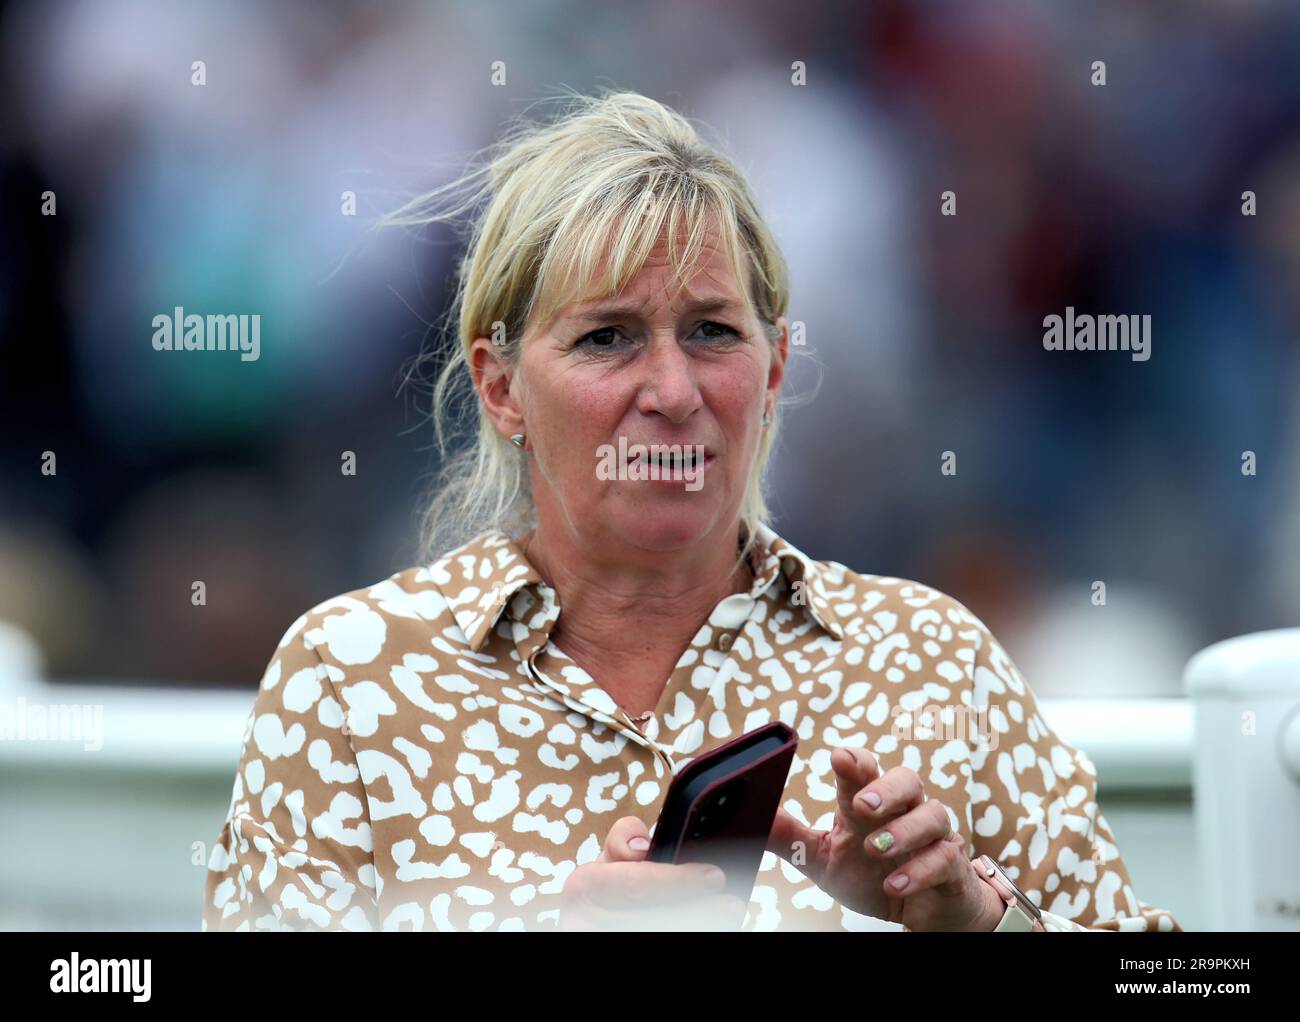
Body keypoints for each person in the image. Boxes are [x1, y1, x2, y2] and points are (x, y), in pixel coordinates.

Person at [202, 90, 1182, 932]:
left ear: (774, 370)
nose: (671, 386)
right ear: (499, 389)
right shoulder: (352, 677)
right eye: (607, 338)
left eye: (712, 330)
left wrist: (979, 917)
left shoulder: (932, 660)